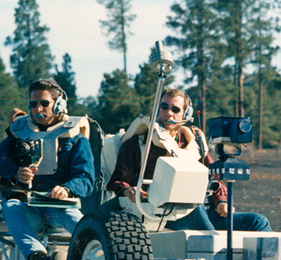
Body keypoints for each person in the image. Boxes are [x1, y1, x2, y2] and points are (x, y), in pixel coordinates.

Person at [107, 88, 270, 232]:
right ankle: (217, 255)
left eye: (175, 109)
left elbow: (213, 175)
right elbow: (118, 180)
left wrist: (221, 201)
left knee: (258, 221)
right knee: (197, 211)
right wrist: (128, 190)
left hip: (202, 212)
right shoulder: (138, 143)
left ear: (185, 115)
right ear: (157, 110)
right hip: (160, 214)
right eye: (164, 107)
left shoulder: (194, 143)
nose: (168, 113)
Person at [0, 79, 95, 260]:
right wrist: (15, 172)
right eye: (33, 104)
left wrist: (67, 188)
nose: (38, 108)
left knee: (83, 227)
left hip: (60, 207)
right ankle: (38, 257)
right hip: (29, 207)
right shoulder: (19, 133)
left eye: (44, 103)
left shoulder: (75, 138)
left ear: (59, 104)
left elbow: (86, 179)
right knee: (11, 207)